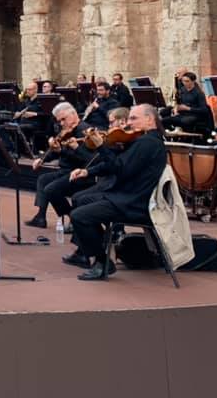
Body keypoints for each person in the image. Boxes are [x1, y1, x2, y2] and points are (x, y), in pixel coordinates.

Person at [66, 104, 168, 280]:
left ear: (150, 119)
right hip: (125, 195)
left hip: (133, 202)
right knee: (81, 200)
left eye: (134, 118)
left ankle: (101, 261)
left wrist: (101, 146)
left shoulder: (147, 143)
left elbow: (120, 169)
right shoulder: (142, 140)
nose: (128, 123)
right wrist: (88, 171)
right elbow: (118, 164)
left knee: (79, 216)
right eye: (129, 119)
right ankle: (92, 249)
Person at [24, 103, 96, 229]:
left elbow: (87, 159)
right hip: (65, 170)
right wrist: (42, 159)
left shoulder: (85, 131)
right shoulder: (66, 131)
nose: (61, 124)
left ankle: (73, 217)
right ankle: (41, 217)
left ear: (73, 114)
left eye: (64, 119)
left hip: (79, 172)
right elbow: (55, 152)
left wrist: (62, 151)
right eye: (59, 121)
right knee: (43, 179)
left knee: (51, 189)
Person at [162, 71, 214, 137]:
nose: (184, 83)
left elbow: (204, 110)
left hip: (194, 115)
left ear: (193, 81)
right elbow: (178, 103)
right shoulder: (182, 90)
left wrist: (188, 108)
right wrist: (176, 109)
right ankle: (171, 134)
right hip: (183, 114)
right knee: (164, 120)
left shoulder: (199, 93)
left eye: (187, 81)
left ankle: (186, 137)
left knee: (185, 121)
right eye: (183, 81)